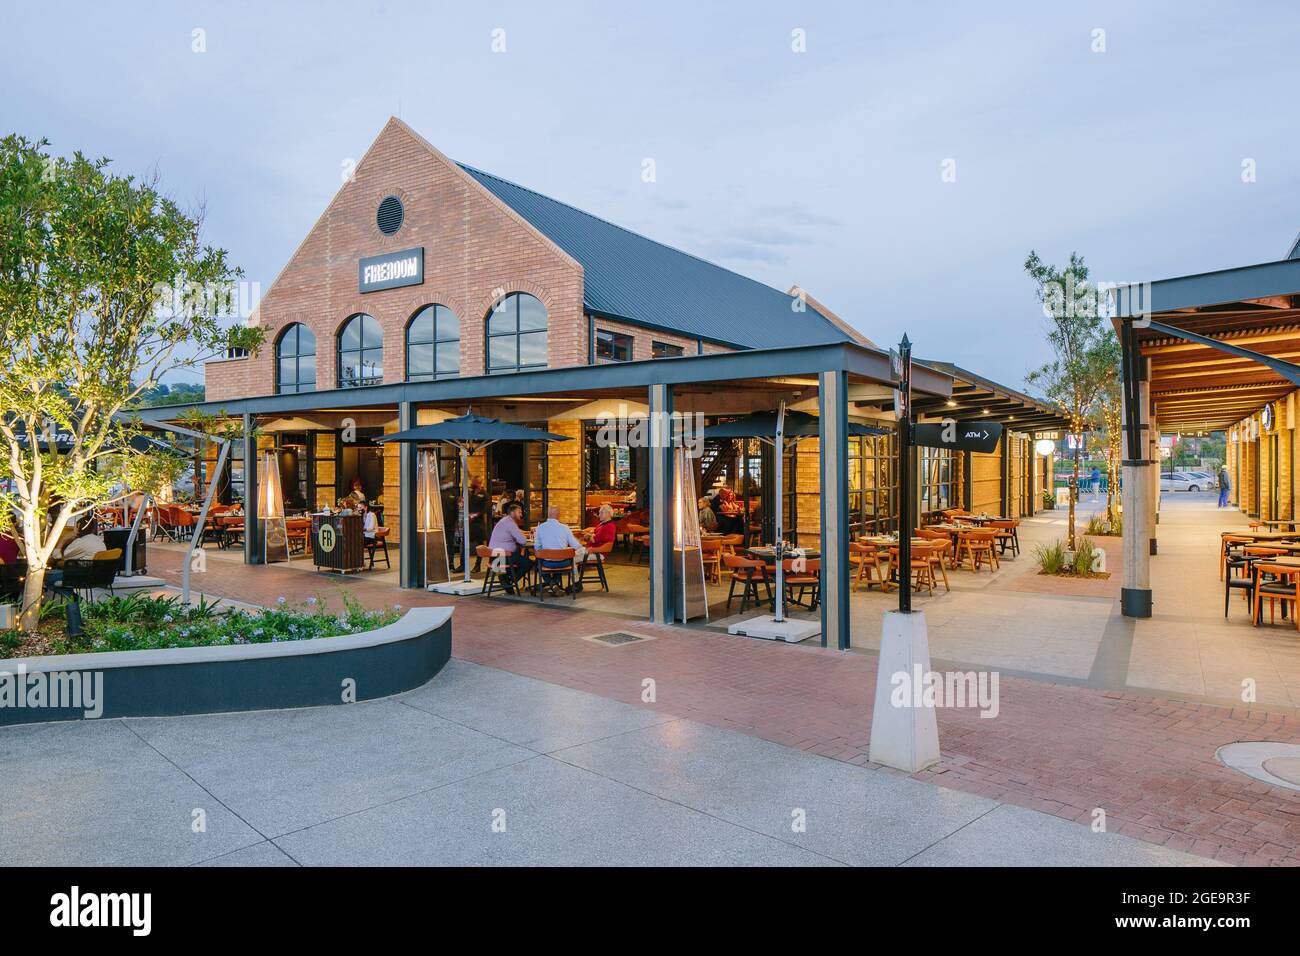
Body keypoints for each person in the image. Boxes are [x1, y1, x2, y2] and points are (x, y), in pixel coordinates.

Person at [534, 505, 584, 594]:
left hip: (547, 563)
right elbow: (576, 546)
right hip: (563, 563)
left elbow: (537, 547)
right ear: (559, 515)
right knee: (561, 558)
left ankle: (551, 583)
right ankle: (554, 585)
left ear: (548, 514)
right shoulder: (565, 528)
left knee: (538, 563)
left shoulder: (540, 528)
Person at [487, 501, 532, 593]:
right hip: (502, 557)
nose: (521, 514)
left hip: (495, 556)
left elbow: (517, 533)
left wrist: (524, 534)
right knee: (529, 563)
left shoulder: (506, 521)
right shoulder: (509, 523)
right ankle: (510, 580)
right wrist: (526, 536)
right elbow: (522, 541)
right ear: (512, 513)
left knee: (519, 557)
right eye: (519, 512)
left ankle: (506, 578)